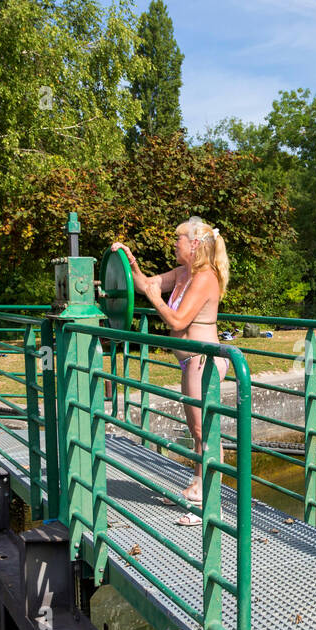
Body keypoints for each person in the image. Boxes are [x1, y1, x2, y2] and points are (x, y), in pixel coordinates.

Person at [112, 217, 227, 526]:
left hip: (204, 362)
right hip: (190, 362)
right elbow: (146, 285)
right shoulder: (181, 273)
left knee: (205, 432)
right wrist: (130, 262)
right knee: (197, 431)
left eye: (178, 239)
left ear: (194, 244)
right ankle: (198, 488)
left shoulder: (205, 277)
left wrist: (154, 299)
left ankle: (209, 504)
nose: (174, 244)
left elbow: (177, 321)